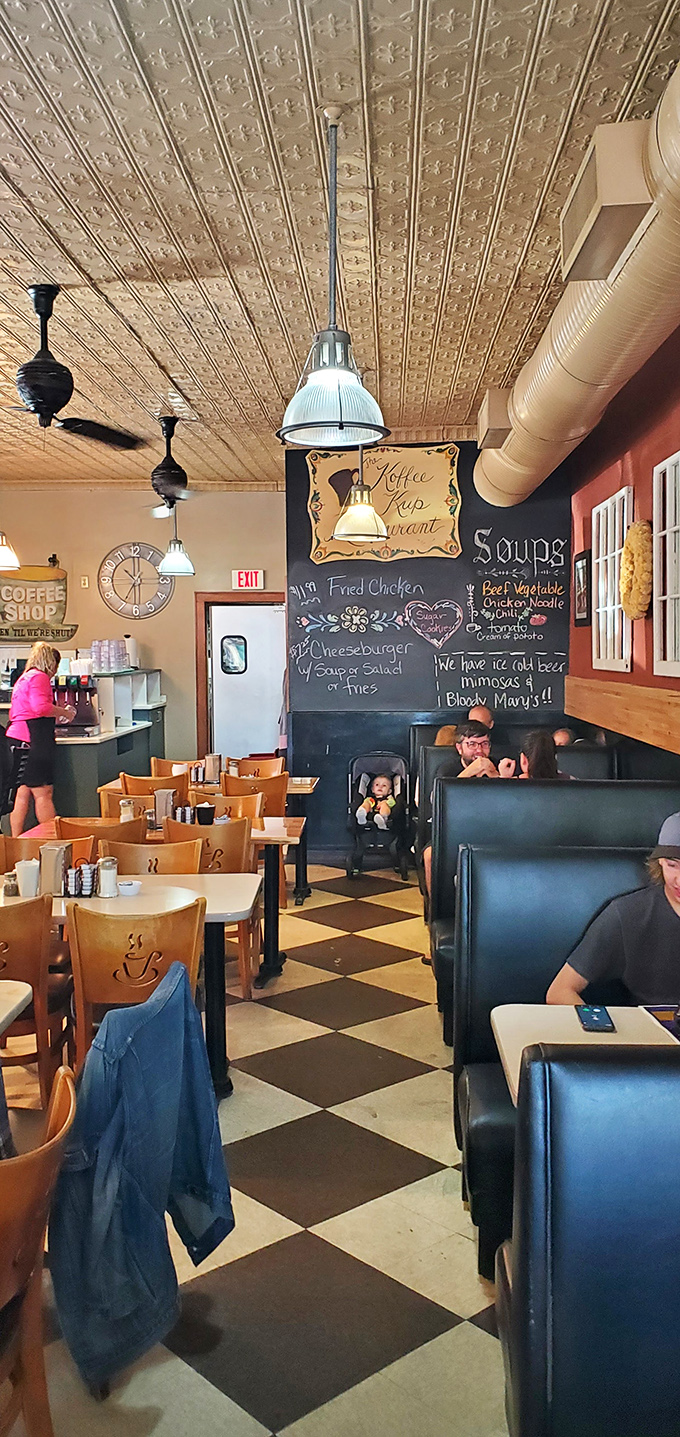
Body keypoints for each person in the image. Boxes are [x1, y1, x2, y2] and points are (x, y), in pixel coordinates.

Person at [546, 813, 680, 1006]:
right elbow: (560, 991)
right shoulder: (628, 914)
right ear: (659, 862)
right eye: (672, 865)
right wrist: (598, 1031)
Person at [6, 643, 74, 835]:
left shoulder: (23, 678)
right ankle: (53, 842)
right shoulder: (40, 677)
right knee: (43, 792)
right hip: (33, 740)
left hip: (15, 739)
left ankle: (16, 842)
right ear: (51, 663)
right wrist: (64, 713)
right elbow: (40, 708)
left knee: (22, 793)